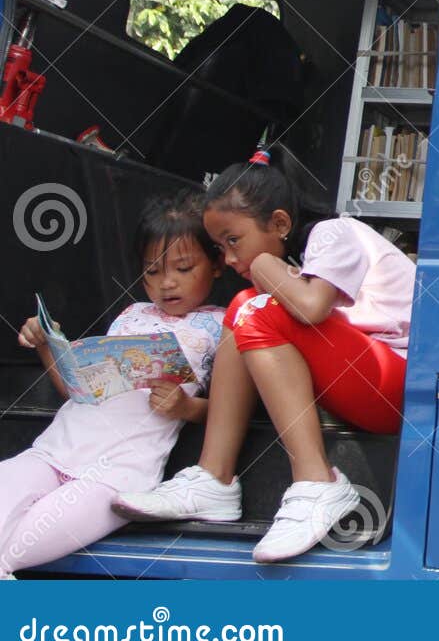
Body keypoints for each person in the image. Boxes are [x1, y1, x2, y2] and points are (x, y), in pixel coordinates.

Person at [112, 146, 415, 563]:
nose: (230, 258)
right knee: (243, 306)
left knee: (253, 308)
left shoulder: (334, 232)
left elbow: (312, 307)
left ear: (280, 223)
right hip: (360, 377)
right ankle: (213, 478)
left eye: (233, 241)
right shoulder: (297, 258)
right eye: (220, 247)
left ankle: (318, 482)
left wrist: (263, 267)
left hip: (397, 386)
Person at [1, 192, 225, 578]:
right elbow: (77, 390)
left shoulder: (223, 325)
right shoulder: (131, 314)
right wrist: (47, 346)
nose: (166, 283)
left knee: (13, 552)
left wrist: (187, 408)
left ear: (217, 263)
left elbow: (232, 413)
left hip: (115, 474)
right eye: (152, 271)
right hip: (54, 451)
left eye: (183, 268)